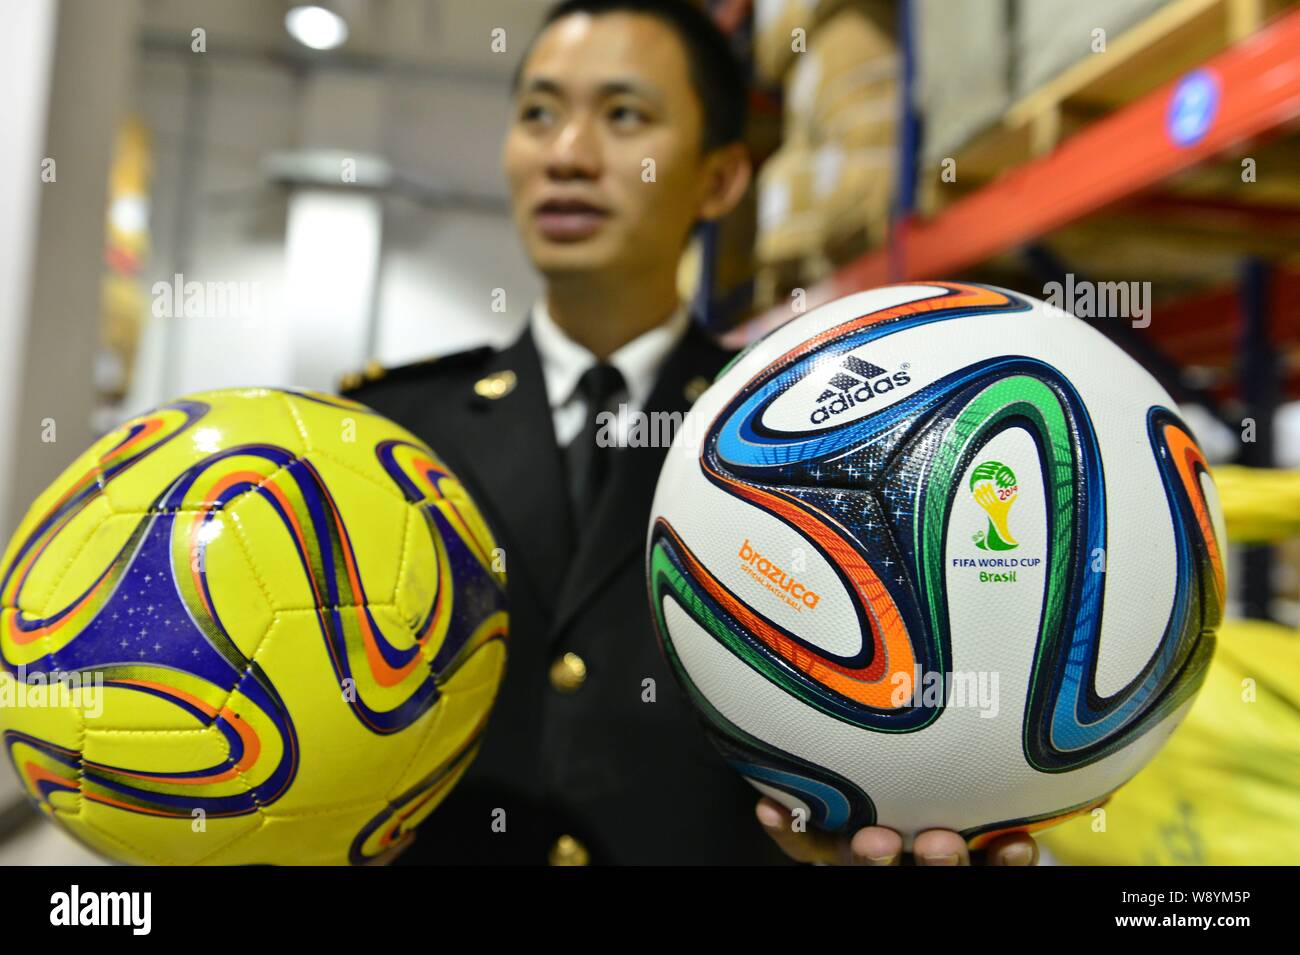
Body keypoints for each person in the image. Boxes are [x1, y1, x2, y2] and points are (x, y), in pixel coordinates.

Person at [342, 0, 1038, 866]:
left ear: (719, 180)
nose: (568, 155)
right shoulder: (389, 439)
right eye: (539, 115)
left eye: (624, 115)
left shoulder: (811, 442)